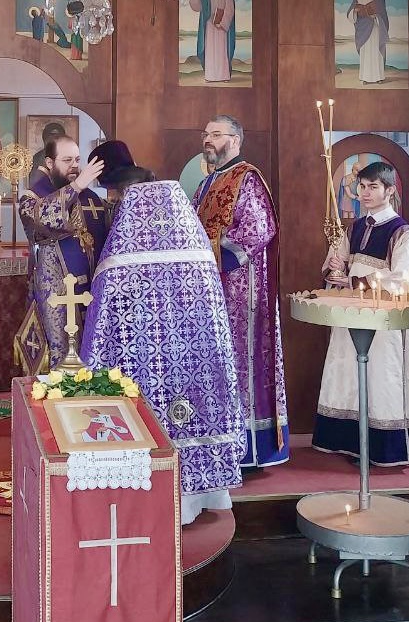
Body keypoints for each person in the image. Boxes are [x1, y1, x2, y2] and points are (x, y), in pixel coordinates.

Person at [81, 179, 246, 524]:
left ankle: (138, 503)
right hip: (192, 369)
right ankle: (194, 502)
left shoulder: (118, 262)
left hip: (138, 368)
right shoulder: (199, 259)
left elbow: (99, 326)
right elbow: (218, 330)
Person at [192, 115, 289, 469]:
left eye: (216, 134)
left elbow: (259, 228)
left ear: (235, 140)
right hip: (211, 289)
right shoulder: (206, 184)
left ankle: (249, 449)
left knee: (242, 362)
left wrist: (214, 257)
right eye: (206, 133)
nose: (208, 139)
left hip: (242, 291)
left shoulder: (247, 178)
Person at [313, 161, 409, 466]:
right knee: (346, 372)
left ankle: (384, 448)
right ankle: (348, 442)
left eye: (373, 186)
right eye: (362, 186)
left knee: (380, 376)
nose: (365, 192)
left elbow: (403, 278)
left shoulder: (401, 231)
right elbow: (336, 262)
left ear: (390, 190)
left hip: (383, 317)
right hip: (351, 312)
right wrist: (335, 269)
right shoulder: (355, 226)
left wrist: (352, 280)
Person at [18, 135, 106, 367]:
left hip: (91, 287)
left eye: (77, 159)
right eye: (67, 160)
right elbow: (41, 219)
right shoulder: (32, 197)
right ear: (49, 163)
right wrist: (75, 187)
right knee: (60, 345)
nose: (74, 166)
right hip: (55, 289)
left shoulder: (91, 197)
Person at [189, 0, 236, 83]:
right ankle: (210, 76)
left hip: (222, 26)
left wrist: (223, 22)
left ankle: (224, 76)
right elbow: (198, 7)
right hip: (209, 25)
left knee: (222, 51)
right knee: (210, 51)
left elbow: (230, 8)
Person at [347, 0, 389, 84]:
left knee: (376, 52)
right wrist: (355, 10)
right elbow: (350, 14)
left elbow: (383, 15)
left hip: (376, 29)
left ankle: (379, 77)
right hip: (363, 31)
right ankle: (364, 77)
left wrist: (376, 16)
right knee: (366, 54)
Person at [28, 121, 67, 187]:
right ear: (45, 138)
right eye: (51, 136)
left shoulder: (67, 157)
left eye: (57, 137)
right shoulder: (37, 157)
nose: (54, 139)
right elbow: (33, 182)